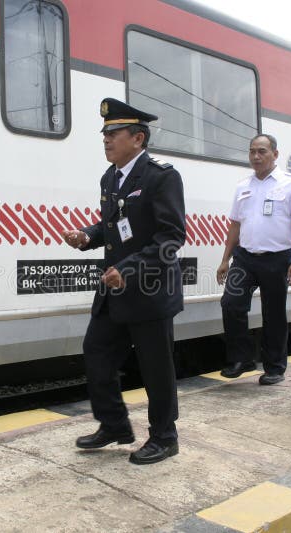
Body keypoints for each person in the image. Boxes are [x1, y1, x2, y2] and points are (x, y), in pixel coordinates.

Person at [62, 97, 186, 465]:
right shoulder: (111, 178)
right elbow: (113, 227)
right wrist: (87, 236)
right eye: (105, 134)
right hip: (114, 290)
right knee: (96, 352)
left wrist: (130, 269)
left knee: (155, 369)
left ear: (138, 138)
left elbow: (171, 238)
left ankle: (165, 437)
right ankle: (114, 425)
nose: (106, 139)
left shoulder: (161, 176)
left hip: (148, 290)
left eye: (114, 133)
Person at [216, 134, 291, 384]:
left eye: (262, 151)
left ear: (275, 154)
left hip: (277, 259)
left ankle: (275, 367)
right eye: (252, 152)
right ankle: (242, 358)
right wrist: (225, 259)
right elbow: (235, 226)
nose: (256, 157)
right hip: (244, 258)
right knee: (231, 303)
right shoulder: (243, 186)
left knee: (274, 314)